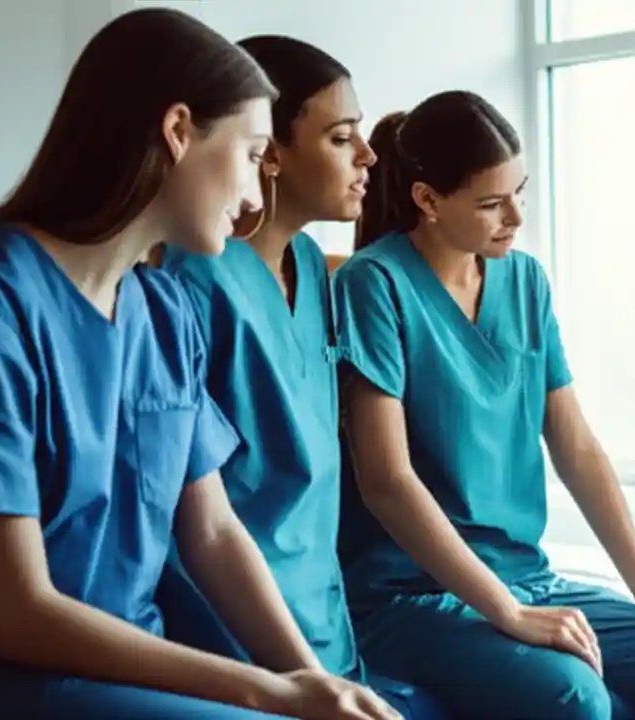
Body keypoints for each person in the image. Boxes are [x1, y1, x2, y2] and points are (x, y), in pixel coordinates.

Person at [0, 10, 397, 719]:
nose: (256, 196)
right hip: (17, 681)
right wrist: (269, 690)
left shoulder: (162, 311)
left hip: (137, 670)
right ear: (178, 131)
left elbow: (212, 531)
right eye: (252, 154)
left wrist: (313, 680)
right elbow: (18, 613)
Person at [333, 91, 635, 719]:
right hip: (412, 597)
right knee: (576, 697)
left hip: (530, 578)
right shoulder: (373, 283)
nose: (515, 216)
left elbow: (576, 448)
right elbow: (386, 481)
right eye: (490, 203)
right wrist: (506, 612)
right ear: (428, 200)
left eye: (520, 193)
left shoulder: (526, 280)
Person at [157, 35, 446, 720]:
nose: (368, 155)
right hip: (233, 638)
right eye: (342, 138)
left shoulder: (316, 267)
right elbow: (195, 518)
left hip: (328, 627)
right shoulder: (189, 276)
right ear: (270, 151)